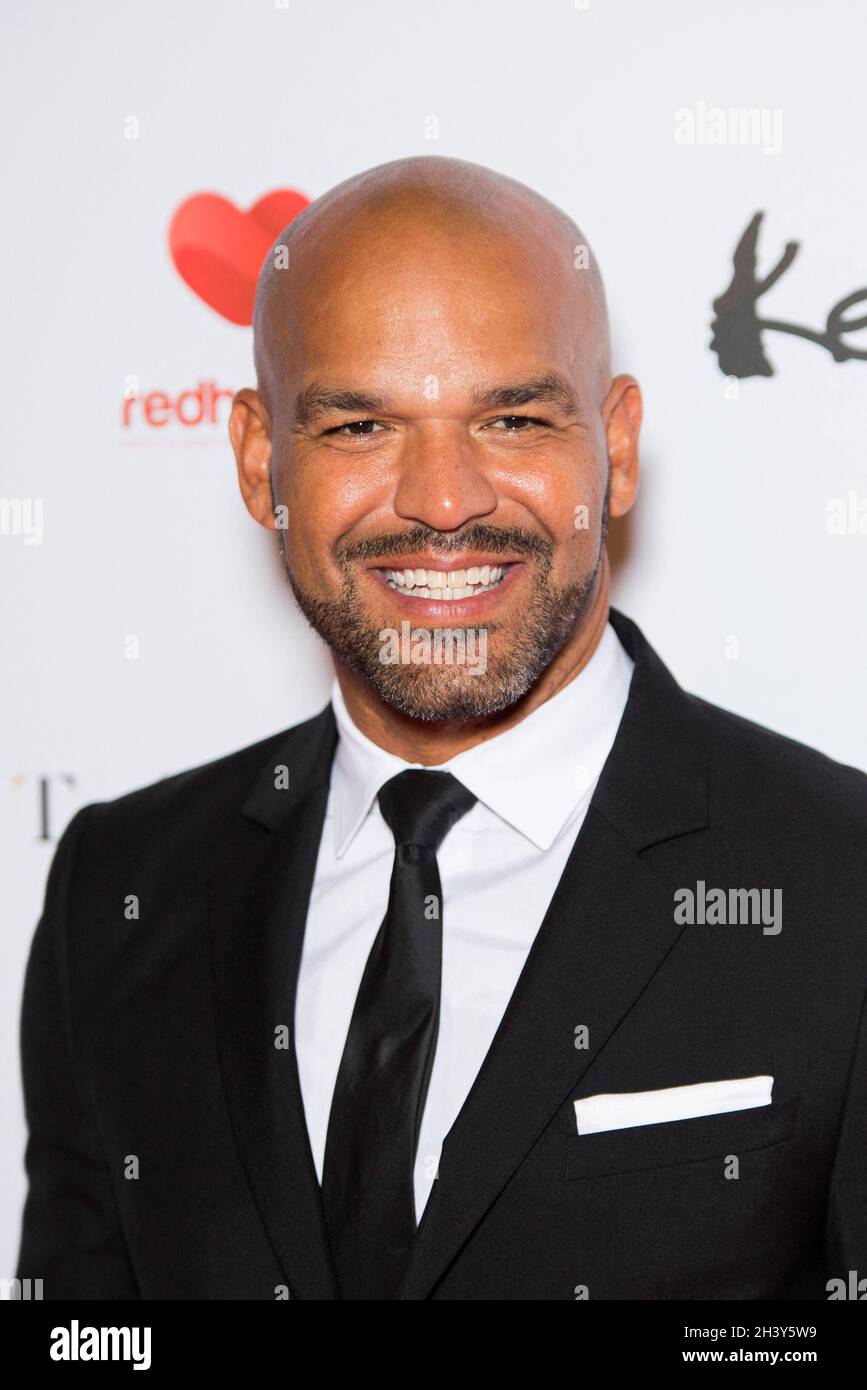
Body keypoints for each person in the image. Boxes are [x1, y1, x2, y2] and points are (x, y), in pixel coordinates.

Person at [16, 157, 867, 1300]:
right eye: (362, 425)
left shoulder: (839, 881)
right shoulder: (118, 894)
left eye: (511, 416)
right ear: (259, 459)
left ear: (613, 447)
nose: (445, 500)